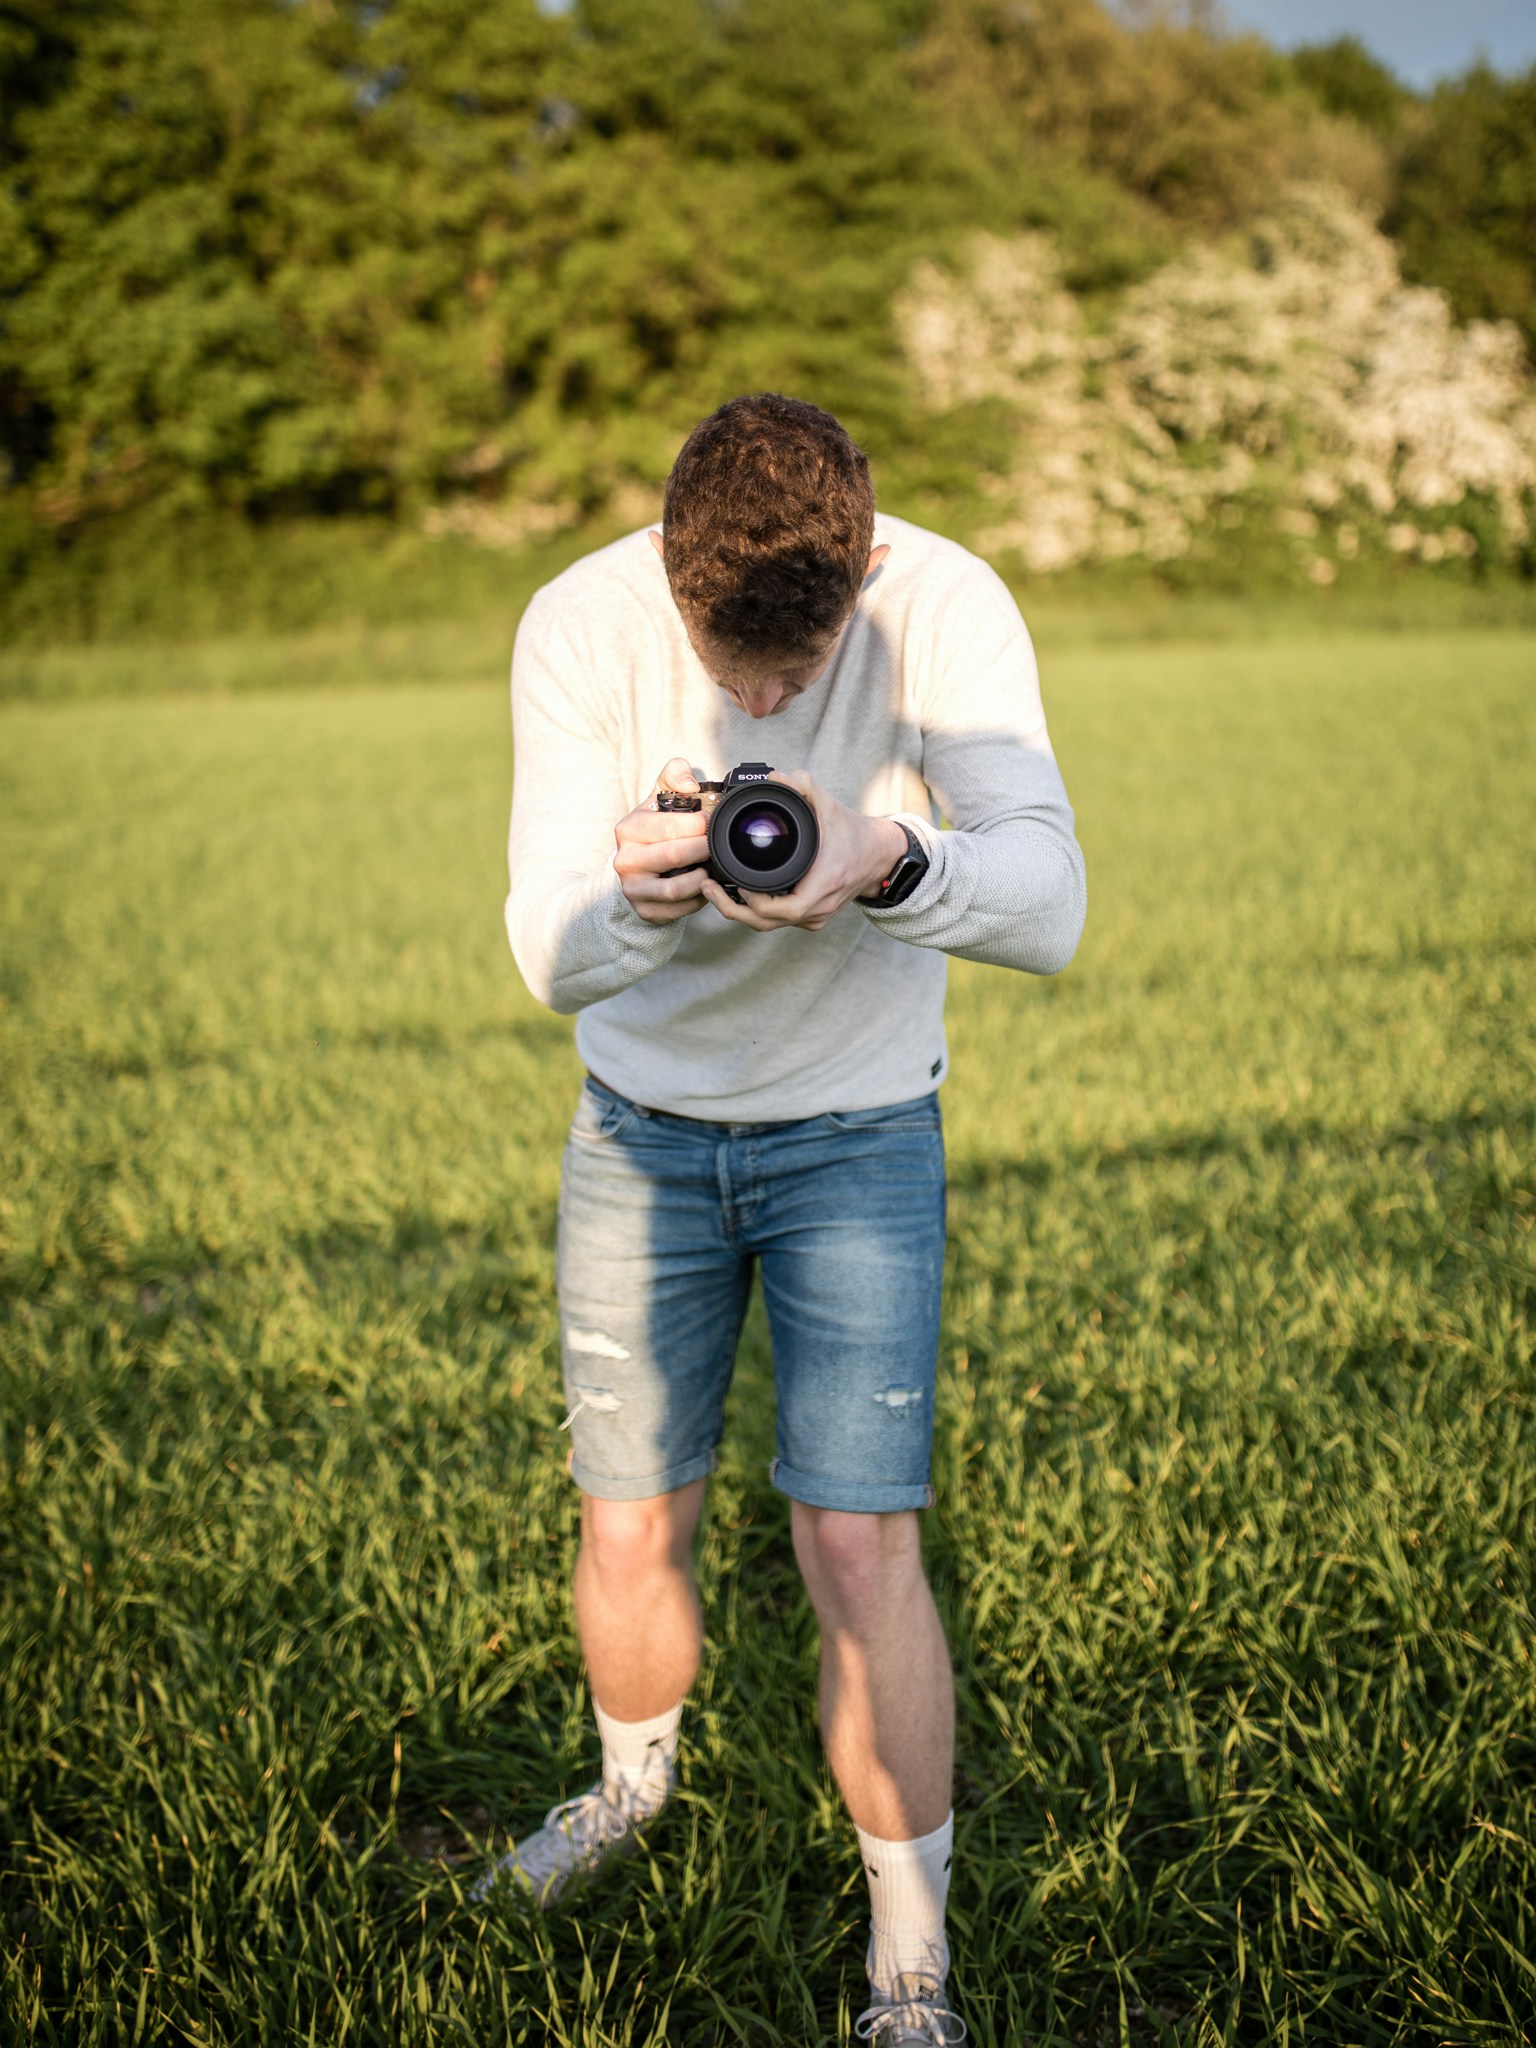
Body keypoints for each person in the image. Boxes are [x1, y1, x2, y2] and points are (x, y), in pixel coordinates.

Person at [483, 393, 1086, 2044]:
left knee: (855, 1535)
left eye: (795, 678)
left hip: (860, 1133)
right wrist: (639, 903)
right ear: (664, 564)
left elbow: (1050, 900)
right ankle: (629, 1800)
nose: (755, 706)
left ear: (867, 569)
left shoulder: (943, 604)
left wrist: (890, 859)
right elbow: (544, 950)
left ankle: (910, 1961)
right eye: (722, 662)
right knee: (626, 1515)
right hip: (641, 1130)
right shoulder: (580, 620)